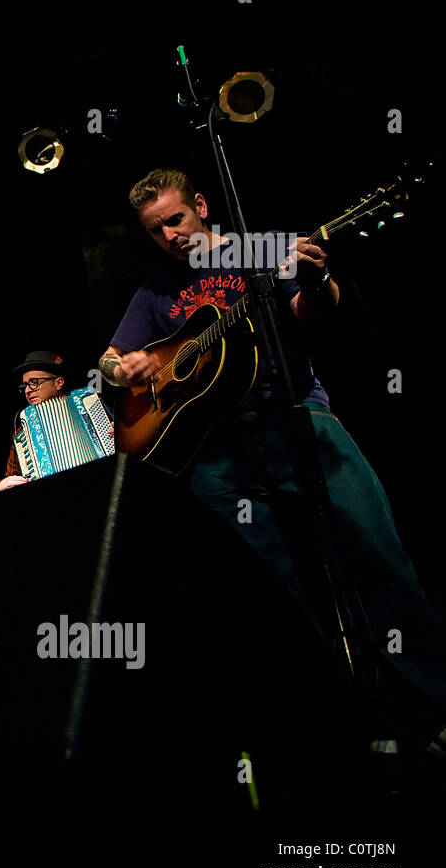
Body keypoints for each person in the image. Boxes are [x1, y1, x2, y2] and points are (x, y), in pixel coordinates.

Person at [100, 167, 446, 754]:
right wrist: (122, 368)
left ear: (202, 205)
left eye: (176, 220)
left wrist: (318, 281)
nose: (171, 237)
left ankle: (433, 707)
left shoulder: (263, 252)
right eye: (156, 231)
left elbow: (314, 312)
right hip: (216, 456)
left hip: (297, 419)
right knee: (272, 597)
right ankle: (343, 734)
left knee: (377, 557)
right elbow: (109, 357)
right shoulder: (155, 292)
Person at [0, 351, 113, 491]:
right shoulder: (23, 433)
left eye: (34, 383)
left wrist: (121, 438)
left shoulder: (89, 405)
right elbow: (10, 477)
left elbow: (129, 447)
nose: (27, 390)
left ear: (59, 382)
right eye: (25, 386)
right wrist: (1, 486)